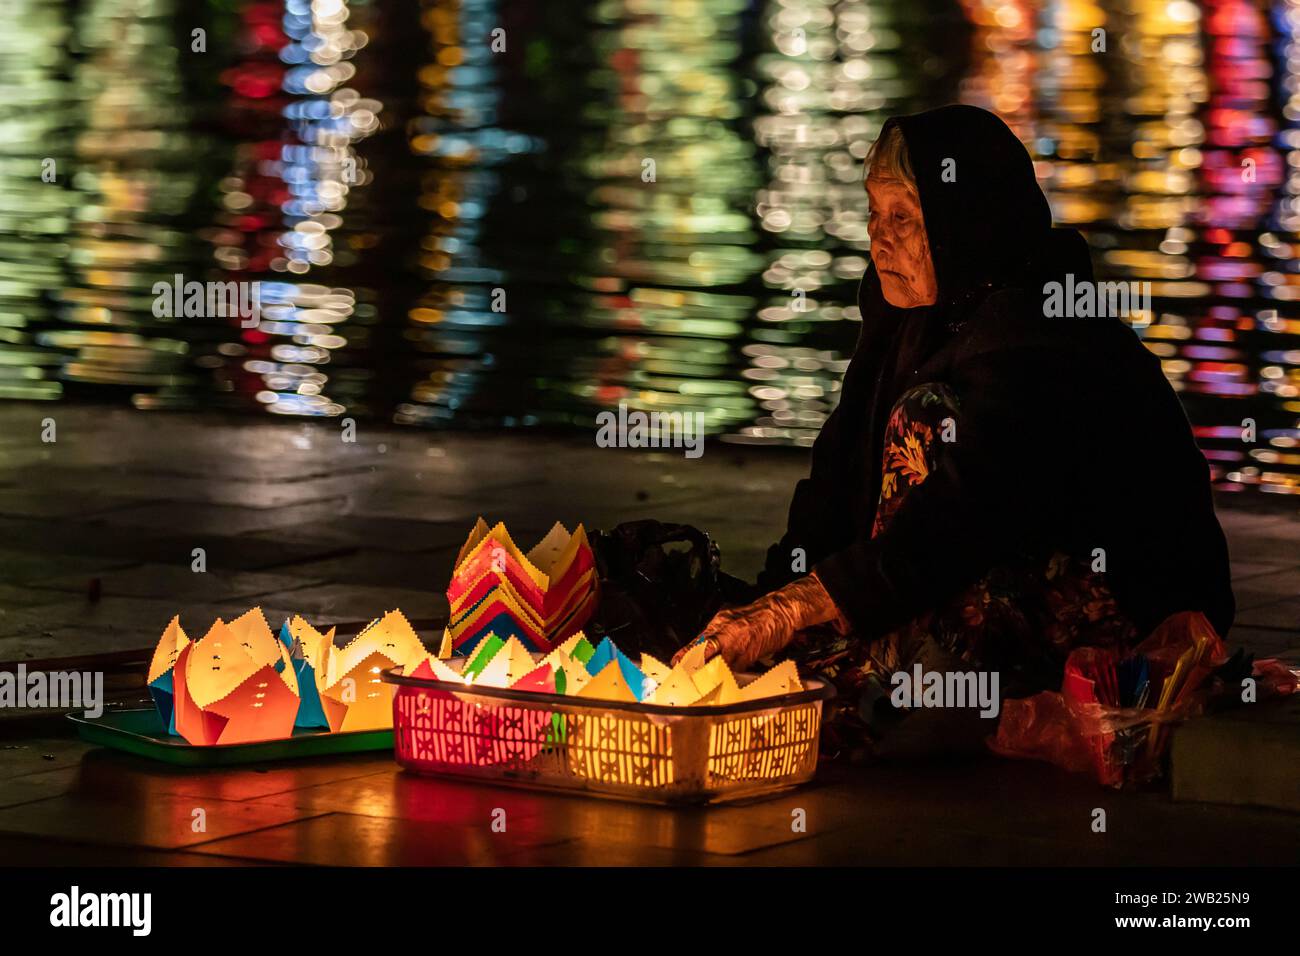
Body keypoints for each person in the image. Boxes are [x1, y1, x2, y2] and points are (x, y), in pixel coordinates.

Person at [673, 105, 1235, 755]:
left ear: (963, 219)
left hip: (1123, 607)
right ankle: (893, 661)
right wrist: (772, 596)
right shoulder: (909, 308)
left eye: (904, 217)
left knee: (924, 419)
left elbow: (965, 515)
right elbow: (841, 463)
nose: (879, 238)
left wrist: (796, 610)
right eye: (873, 213)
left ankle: (923, 680)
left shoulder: (1041, 331)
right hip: (971, 562)